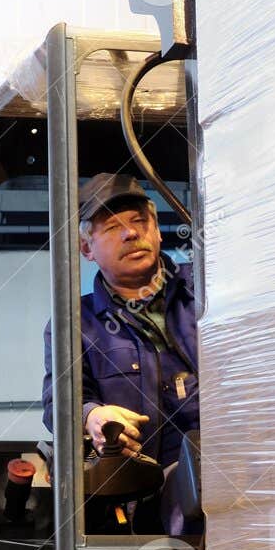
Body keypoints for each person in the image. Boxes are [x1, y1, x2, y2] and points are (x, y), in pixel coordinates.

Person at [42, 172, 199, 487]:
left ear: (157, 232)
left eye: (140, 221)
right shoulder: (75, 325)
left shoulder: (206, 289)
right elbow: (58, 405)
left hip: (231, 473)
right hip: (143, 495)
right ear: (86, 248)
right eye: (113, 227)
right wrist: (92, 417)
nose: (130, 233)